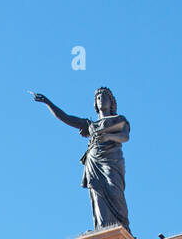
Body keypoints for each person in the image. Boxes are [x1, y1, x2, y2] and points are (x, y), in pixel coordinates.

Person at [32, 87, 130, 230]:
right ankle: (103, 226)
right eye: (98, 98)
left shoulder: (118, 120)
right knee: (97, 192)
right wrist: (48, 103)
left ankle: (122, 226)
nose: (101, 99)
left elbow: (125, 137)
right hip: (93, 161)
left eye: (104, 97)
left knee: (114, 191)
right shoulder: (90, 125)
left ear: (111, 102)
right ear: (95, 104)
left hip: (111, 159)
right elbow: (65, 117)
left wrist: (108, 136)